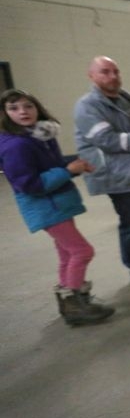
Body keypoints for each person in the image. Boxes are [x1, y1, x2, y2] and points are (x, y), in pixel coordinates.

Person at [0, 89, 115, 325]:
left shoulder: (40, 136)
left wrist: (73, 165)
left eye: (28, 106)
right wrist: (67, 171)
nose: (23, 112)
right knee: (82, 251)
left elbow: (50, 165)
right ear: (4, 114)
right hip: (46, 207)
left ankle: (69, 300)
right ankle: (75, 304)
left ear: (37, 108)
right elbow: (30, 184)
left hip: (58, 203)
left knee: (66, 253)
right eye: (14, 108)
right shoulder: (16, 146)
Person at [73, 56, 130, 285]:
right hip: (118, 176)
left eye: (115, 71)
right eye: (105, 72)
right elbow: (107, 140)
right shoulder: (87, 106)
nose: (113, 76)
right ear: (91, 76)